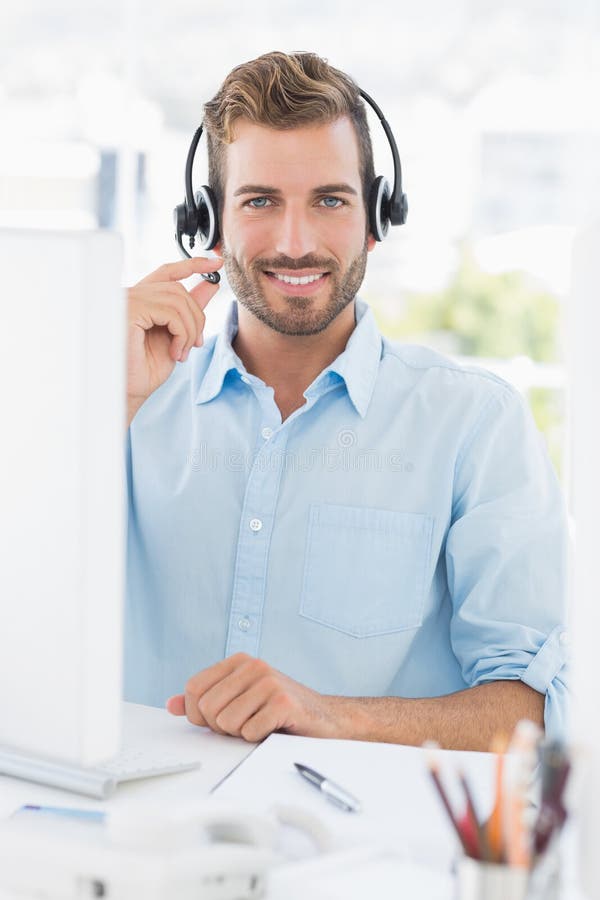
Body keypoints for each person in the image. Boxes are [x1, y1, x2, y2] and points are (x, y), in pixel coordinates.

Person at [125, 50, 569, 751]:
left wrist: (331, 716)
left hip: (361, 824)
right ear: (209, 221)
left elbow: (536, 710)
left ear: (376, 217)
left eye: (329, 200)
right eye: (259, 201)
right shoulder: (125, 403)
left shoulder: (475, 426)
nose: (295, 243)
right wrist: (100, 401)